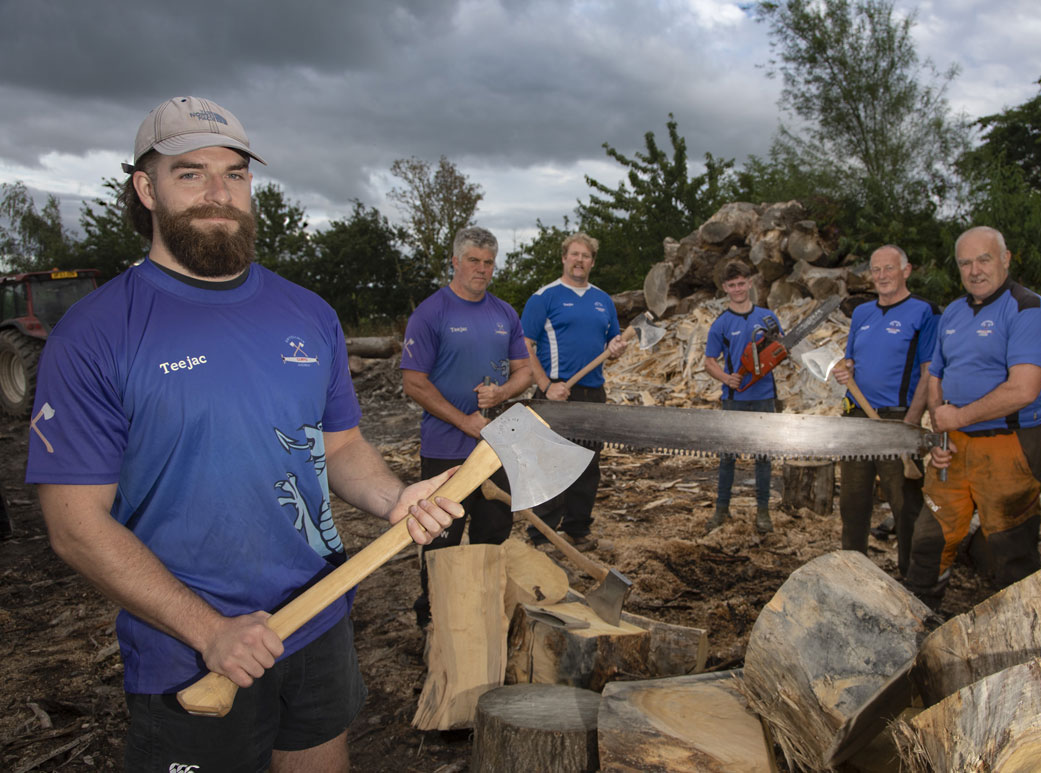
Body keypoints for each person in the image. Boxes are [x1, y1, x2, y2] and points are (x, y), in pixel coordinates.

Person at [24, 96, 464, 773]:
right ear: (147, 188)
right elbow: (75, 525)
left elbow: (339, 446)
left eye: (235, 173)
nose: (218, 193)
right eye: (191, 173)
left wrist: (395, 499)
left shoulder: (308, 313)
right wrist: (211, 631)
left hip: (315, 617)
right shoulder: (95, 334)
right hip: (189, 649)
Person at [905, 226, 1041, 610]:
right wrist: (941, 434)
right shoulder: (954, 312)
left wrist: (958, 417)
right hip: (956, 448)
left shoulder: (1028, 309)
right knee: (929, 538)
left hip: (1010, 446)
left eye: (984, 259)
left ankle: (1020, 632)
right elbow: (937, 376)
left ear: (1005, 259)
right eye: (965, 263)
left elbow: (1023, 389)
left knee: (1011, 548)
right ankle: (918, 619)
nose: (974, 270)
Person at [400, 226, 533, 624]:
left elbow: (525, 371)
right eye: (473, 260)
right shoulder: (431, 313)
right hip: (445, 449)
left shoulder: (504, 313)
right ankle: (435, 618)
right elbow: (413, 382)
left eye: (488, 262)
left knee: (493, 533)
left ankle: (481, 613)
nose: (481, 269)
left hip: (496, 449)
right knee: (442, 539)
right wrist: (465, 422)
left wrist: (502, 393)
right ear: (455, 261)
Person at [833, 245, 939, 578]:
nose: (881, 276)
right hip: (857, 419)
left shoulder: (924, 312)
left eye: (889, 269)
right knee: (853, 503)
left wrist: (909, 424)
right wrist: (843, 369)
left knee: (905, 506)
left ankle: (912, 579)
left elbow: (929, 373)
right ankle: (854, 574)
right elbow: (851, 361)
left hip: (896, 417)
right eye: (876, 270)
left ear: (906, 271)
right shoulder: (862, 313)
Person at [520, 233, 627, 551]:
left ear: (593, 261)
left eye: (586, 256)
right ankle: (543, 535)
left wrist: (616, 347)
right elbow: (525, 346)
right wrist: (545, 386)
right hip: (556, 393)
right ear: (564, 258)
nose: (580, 260)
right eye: (574, 254)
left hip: (593, 393)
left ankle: (578, 529)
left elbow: (614, 342)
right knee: (551, 465)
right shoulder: (544, 298)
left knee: (587, 464)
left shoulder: (603, 300)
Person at [702, 260, 782, 534]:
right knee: (728, 456)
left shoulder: (767, 318)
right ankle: (721, 509)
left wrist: (777, 353)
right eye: (732, 285)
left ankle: (763, 511)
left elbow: (780, 347)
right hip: (735, 396)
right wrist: (726, 378)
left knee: (763, 455)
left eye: (741, 283)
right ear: (725, 288)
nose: (737, 289)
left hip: (764, 395)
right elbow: (709, 361)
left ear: (750, 283)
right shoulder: (721, 324)